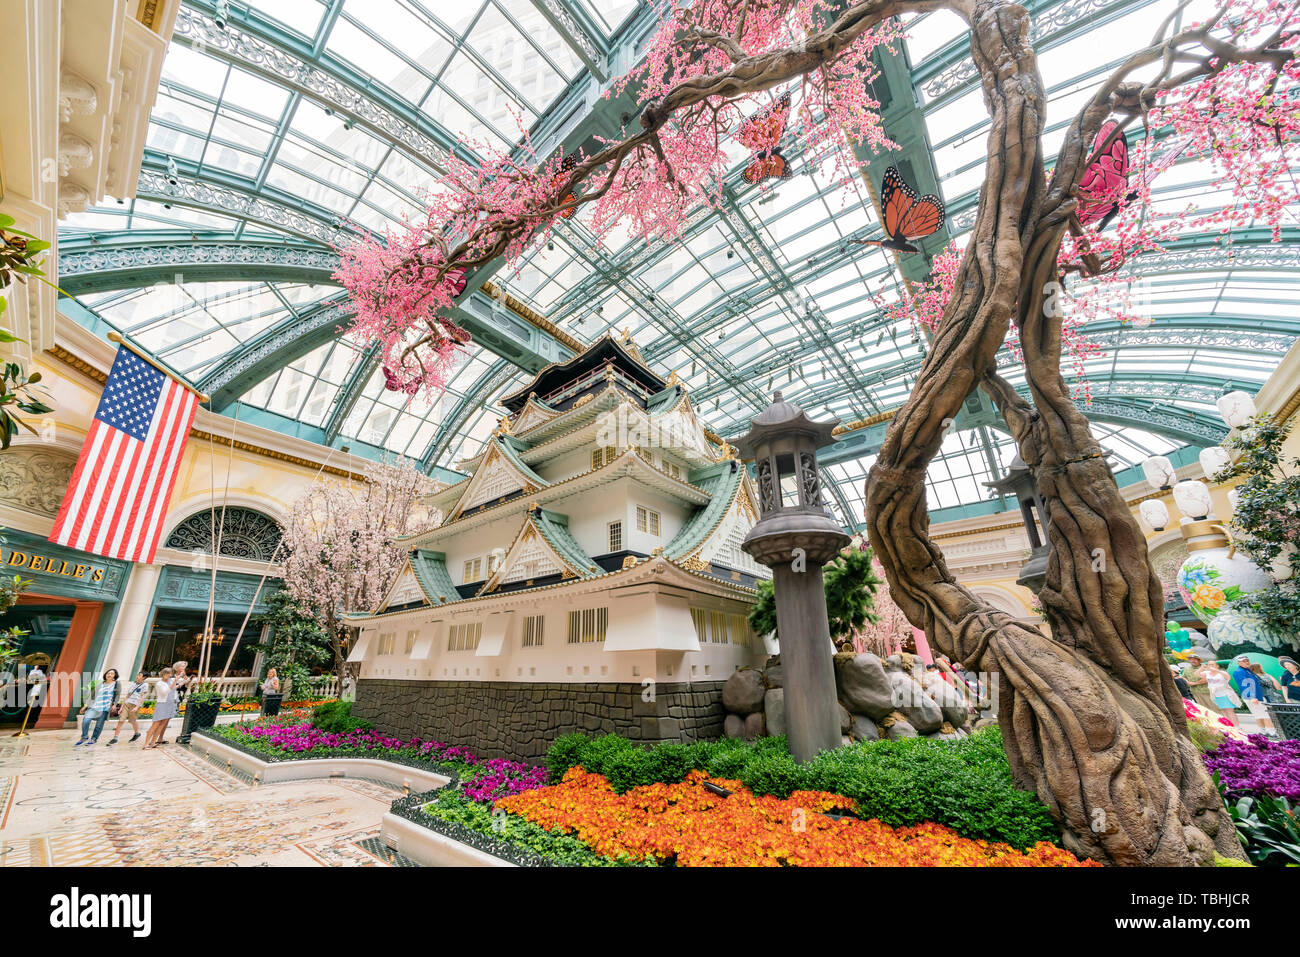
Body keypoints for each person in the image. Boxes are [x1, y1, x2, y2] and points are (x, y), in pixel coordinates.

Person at [74, 669, 119, 746]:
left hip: (105, 708)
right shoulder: (100, 684)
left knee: (99, 725)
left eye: (112, 673)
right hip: (94, 706)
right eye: (108, 673)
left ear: (115, 676)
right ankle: (84, 737)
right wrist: (85, 706)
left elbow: (117, 695)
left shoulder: (116, 684)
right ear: (105, 674)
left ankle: (94, 739)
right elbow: (92, 695)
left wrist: (114, 704)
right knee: (86, 720)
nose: (109, 675)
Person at [1233, 655, 1275, 734]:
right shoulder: (1239, 671)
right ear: (1239, 663)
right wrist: (1252, 697)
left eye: (1247, 660)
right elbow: (1244, 685)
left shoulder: (1247, 670)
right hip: (1252, 696)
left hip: (1256, 695)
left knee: (1259, 714)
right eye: (1244, 661)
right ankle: (1271, 732)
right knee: (1265, 714)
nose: (1246, 662)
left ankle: (1263, 731)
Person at [106, 671, 149, 745]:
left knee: (132, 721)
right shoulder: (133, 684)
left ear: (144, 677)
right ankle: (115, 738)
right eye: (138, 674)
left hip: (135, 705)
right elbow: (127, 696)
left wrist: (137, 707)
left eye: (140, 675)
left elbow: (142, 697)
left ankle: (137, 733)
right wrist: (121, 707)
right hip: (127, 704)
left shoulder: (145, 685)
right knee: (121, 720)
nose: (137, 676)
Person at [157, 660, 188, 746]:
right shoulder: (171, 676)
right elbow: (171, 687)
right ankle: (157, 738)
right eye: (182, 666)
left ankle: (160, 738)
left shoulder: (183, 676)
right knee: (163, 720)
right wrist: (181, 682)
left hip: (176, 699)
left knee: (167, 720)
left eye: (184, 666)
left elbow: (187, 686)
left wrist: (185, 679)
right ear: (177, 667)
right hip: (168, 698)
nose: (184, 668)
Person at [142, 667, 175, 750]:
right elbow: (165, 692)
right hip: (162, 705)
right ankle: (146, 743)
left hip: (169, 704)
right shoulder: (160, 683)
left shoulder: (169, 682)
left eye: (170, 674)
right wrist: (174, 683)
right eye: (167, 674)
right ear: (163, 674)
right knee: (155, 724)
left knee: (162, 724)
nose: (169, 675)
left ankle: (153, 742)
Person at [1201, 660, 1242, 726]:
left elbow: (1228, 677)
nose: (1211, 666)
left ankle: (1237, 726)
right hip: (1216, 695)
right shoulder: (1207, 673)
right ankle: (1230, 726)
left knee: (1230, 711)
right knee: (1223, 711)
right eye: (1209, 665)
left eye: (1213, 664)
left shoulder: (1221, 672)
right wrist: (1202, 667)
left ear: (1217, 666)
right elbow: (1197, 674)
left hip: (1225, 694)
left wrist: (1216, 670)